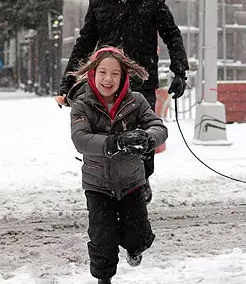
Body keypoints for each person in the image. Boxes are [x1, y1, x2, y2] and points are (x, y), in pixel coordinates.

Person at [57, 0, 189, 204]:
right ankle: (112, 186)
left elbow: (172, 34)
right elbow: (85, 42)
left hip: (142, 80)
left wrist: (180, 71)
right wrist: (68, 81)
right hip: (108, 82)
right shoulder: (98, 2)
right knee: (111, 134)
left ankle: (142, 180)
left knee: (143, 133)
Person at [60, 46, 168, 284]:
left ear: (123, 77)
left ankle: (133, 246)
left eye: (115, 74)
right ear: (93, 74)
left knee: (138, 234)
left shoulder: (136, 102)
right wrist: (115, 142)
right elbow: (81, 139)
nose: (108, 79)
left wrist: (148, 138)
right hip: (97, 185)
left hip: (131, 182)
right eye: (103, 73)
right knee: (102, 239)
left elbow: (159, 128)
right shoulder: (82, 105)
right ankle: (104, 279)